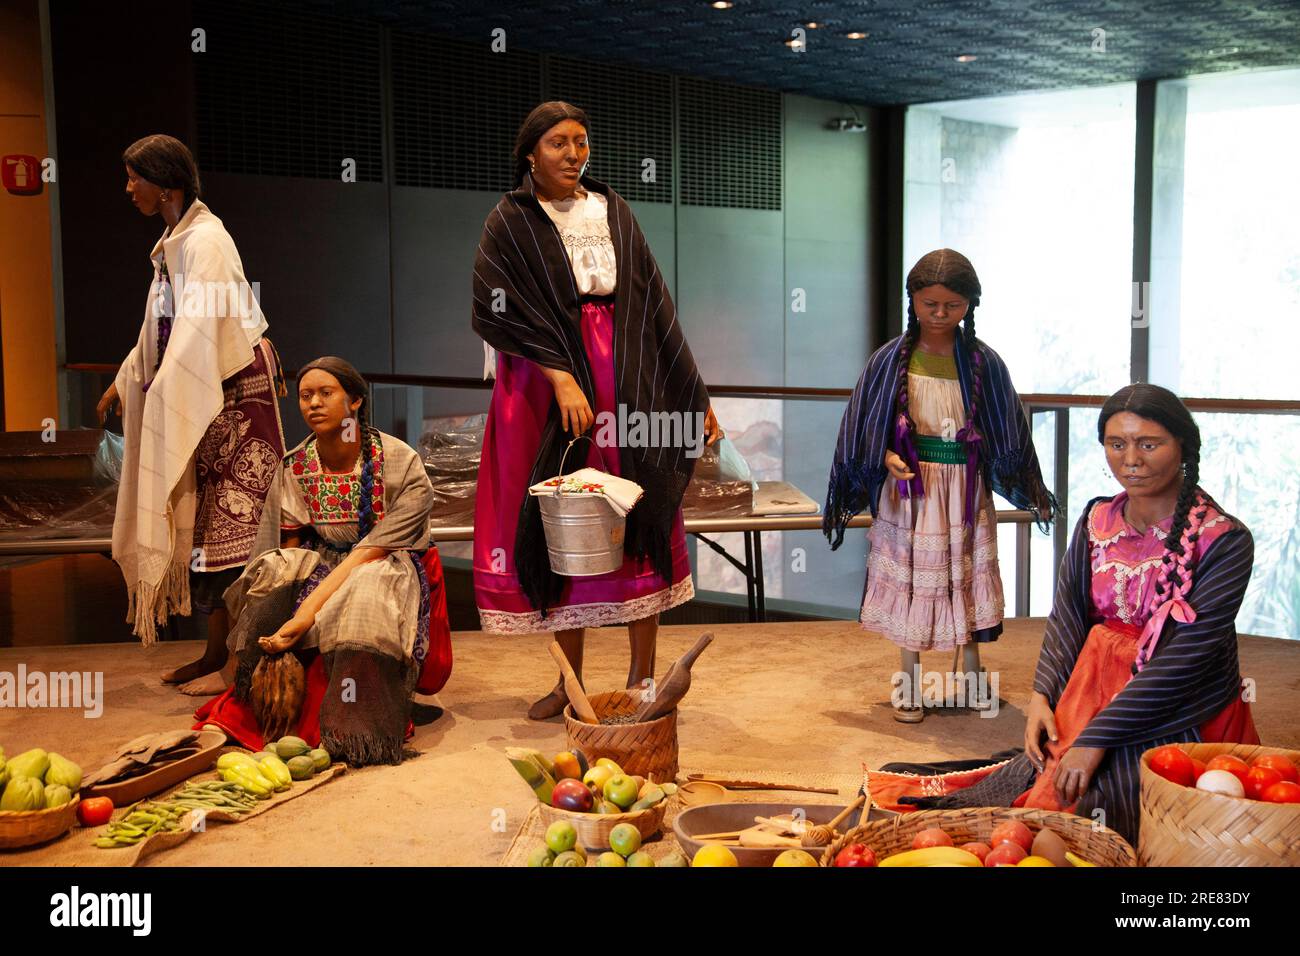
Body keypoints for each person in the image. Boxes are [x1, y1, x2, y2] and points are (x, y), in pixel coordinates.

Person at [885, 384, 1259, 843]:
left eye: (1149, 444)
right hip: (1090, 686)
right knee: (1042, 778)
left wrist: (1094, 741)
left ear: (1184, 446)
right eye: (1116, 444)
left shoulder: (1226, 540)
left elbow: (1189, 658)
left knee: (1108, 804)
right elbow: (1068, 618)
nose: (1131, 460)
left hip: (1179, 702)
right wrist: (1043, 698)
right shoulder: (1094, 520)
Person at [471, 101, 722, 720]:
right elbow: (497, 307)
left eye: (581, 141)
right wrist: (561, 376)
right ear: (530, 152)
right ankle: (569, 682)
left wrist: (693, 392)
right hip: (544, 380)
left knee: (636, 502)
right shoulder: (510, 220)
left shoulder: (614, 210)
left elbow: (655, 304)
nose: (573, 153)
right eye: (558, 143)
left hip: (626, 372)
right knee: (563, 513)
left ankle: (641, 676)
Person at [824, 249, 1056, 722]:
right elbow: (864, 422)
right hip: (910, 493)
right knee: (913, 580)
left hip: (965, 493)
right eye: (930, 304)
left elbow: (1007, 425)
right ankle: (908, 683)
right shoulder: (888, 361)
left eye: (952, 305)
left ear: (970, 305)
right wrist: (885, 455)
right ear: (913, 301)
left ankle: (971, 676)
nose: (940, 314)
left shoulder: (984, 364)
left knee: (964, 579)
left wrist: (1028, 487)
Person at [98, 134, 285, 693]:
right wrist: (127, 379)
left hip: (233, 392)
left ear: (167, 183)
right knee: (202, 521)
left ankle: (237, 663)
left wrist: (165, 393)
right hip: (202, 385)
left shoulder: (208, 241)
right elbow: (164, 328)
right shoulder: (174, 241)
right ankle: (214, 654)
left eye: (137, 177)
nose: (129, 187)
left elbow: (203, 330)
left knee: (235, 525)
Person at [193, 357, 444, 765]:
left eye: (326, 393)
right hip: (323, 557)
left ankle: (358, 725)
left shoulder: (399, 461)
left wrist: (310, 609)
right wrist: (292, 585)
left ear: (356, 401)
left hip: (385, 561)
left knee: (364, 592)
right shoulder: (296, 463)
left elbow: (373, 548)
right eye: (306, 395)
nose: (313, 404)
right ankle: (260, 701)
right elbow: (290, 540)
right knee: (277, 569)